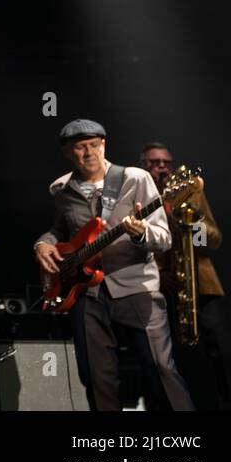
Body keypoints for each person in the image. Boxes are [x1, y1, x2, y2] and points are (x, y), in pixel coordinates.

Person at [34, 121, 194, 410]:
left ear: (104, 144)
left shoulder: (135, 178)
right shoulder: (60, 188)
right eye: (80, 147)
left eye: (95, 144)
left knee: (162, 371)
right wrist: (43, 243)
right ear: (67, 152)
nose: (89, 153)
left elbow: (164, 238)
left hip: (136, 287)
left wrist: (140, 233)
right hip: (87, 293)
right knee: (97, 380)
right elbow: (60, 230)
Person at [140, 141, 231, 410]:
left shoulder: (190, 192)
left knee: (224, 355)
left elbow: (214, 239)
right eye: (154, 162)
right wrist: (159, 274)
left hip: (202, 286)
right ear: (143, 166)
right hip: (160, 289)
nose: (162, 167)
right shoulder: (138, 195)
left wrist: (191, 224)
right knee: (172, 363)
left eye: (166, 162)